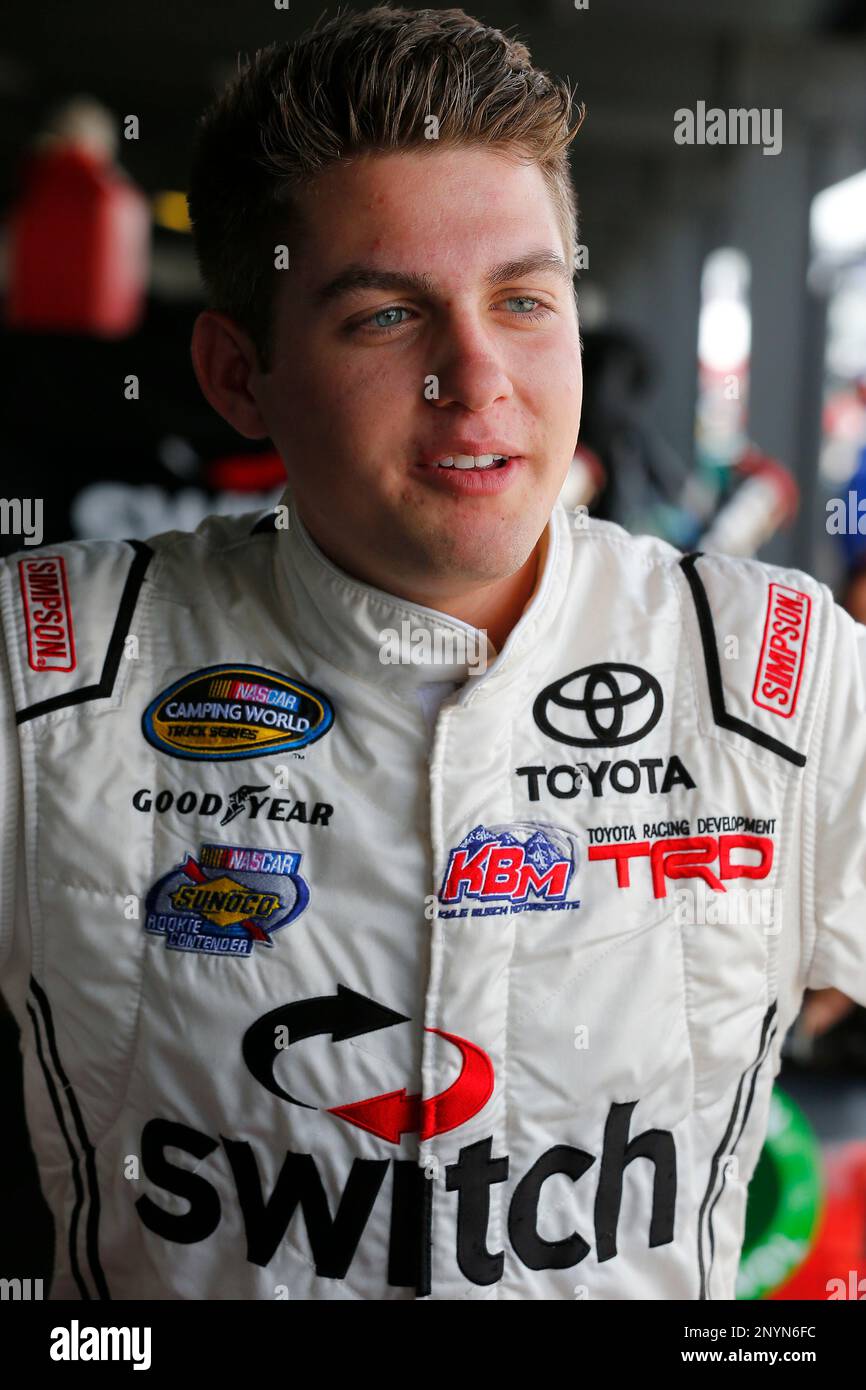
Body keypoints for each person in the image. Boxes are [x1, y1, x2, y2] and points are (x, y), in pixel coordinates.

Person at [0, 5, 864, 1303]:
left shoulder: (780, 673)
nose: (477, 376)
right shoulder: (45, 672)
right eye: (386, 318)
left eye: (523, 299)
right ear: (240, 376)